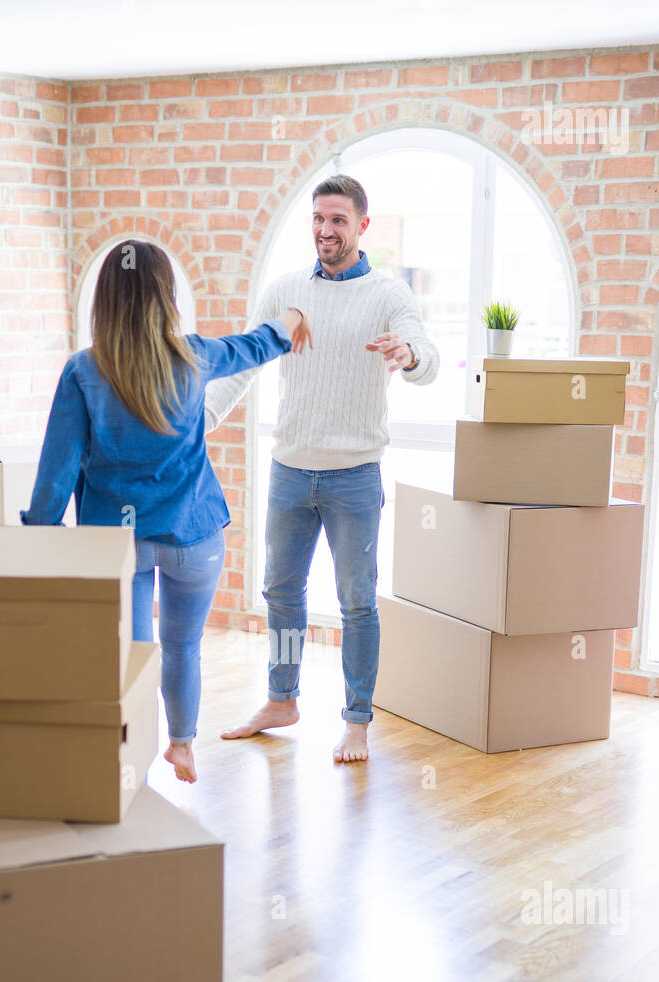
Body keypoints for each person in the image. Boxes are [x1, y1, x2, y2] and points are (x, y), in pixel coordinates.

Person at [21, 239, 312, 783]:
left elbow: (55, 474)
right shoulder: (195, 356)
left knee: (131, 657)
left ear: (103, 301)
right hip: (193, 538)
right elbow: (255, 346)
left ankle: (130, 765)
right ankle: (181, 744)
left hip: (118, 544)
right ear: (166, 297)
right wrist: (290, 319)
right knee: (183, 646)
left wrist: (38, 532)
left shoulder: (84, 372)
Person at [207, 174, 439, 764]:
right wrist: (198, 420)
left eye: (338, 220)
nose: (325, 230)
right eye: (318, 219)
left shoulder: (387, 296)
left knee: (356, 600)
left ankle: (356, 720)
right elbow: (242, 364)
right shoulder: (287, 290)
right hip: (290, 471)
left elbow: (425, 357)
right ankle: (281, 700)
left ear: (363, 225)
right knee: (282, 593)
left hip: (353, 476)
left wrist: (409, 355)